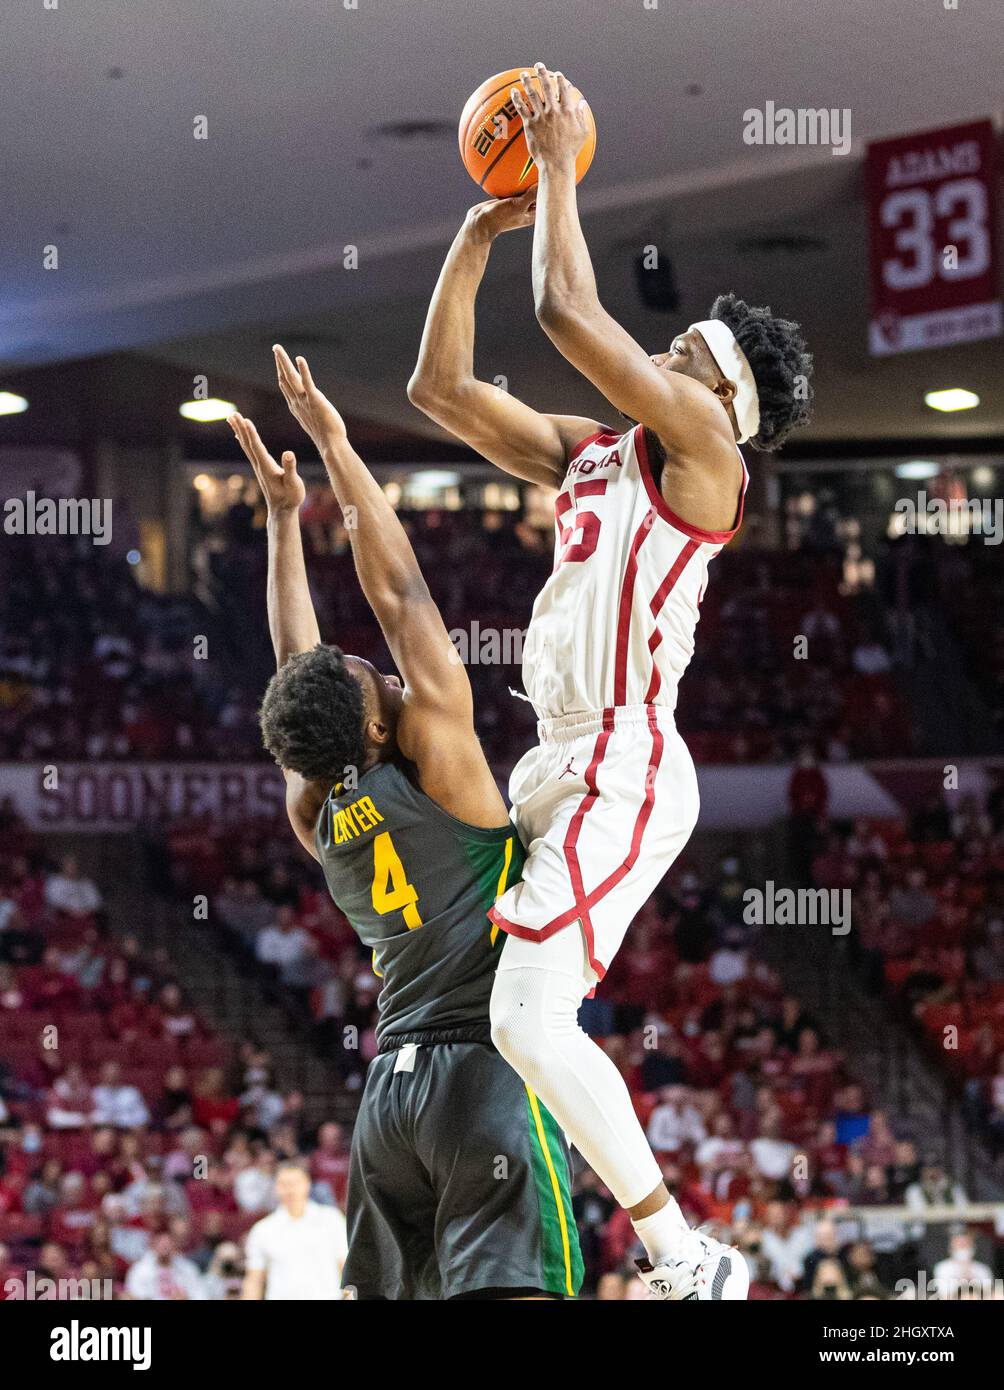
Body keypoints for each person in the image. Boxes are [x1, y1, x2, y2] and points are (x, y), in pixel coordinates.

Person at [408, 61, 812, 1299]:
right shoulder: (597, 456)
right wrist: (478, 234)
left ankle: (685, 1254)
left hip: (626, 762)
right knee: (473, 999)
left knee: (526, 1017)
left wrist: (559, 171)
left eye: (682, 346)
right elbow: (439, 390)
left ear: (723, 393)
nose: (659, 350)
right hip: (557, 757)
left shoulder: (704, 454)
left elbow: (568, 317)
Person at [226, 347, 582, 1300]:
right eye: (373, 676)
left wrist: (279, 520)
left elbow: (294, 672)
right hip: (485, 1072)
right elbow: (402, 596)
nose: (376, 663)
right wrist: (336, 444)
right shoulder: (445, 767)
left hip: (392, 1102)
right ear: (382, 722)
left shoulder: (316, 810)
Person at [242, 1162, 347, 1301]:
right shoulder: (263, 1230)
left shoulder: (332, 1219)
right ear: (276, 1188)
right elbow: (254, 1280)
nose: (290, 1189)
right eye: (284, 1184)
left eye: (295, 1183)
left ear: (307, 1184)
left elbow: (346, 1267)